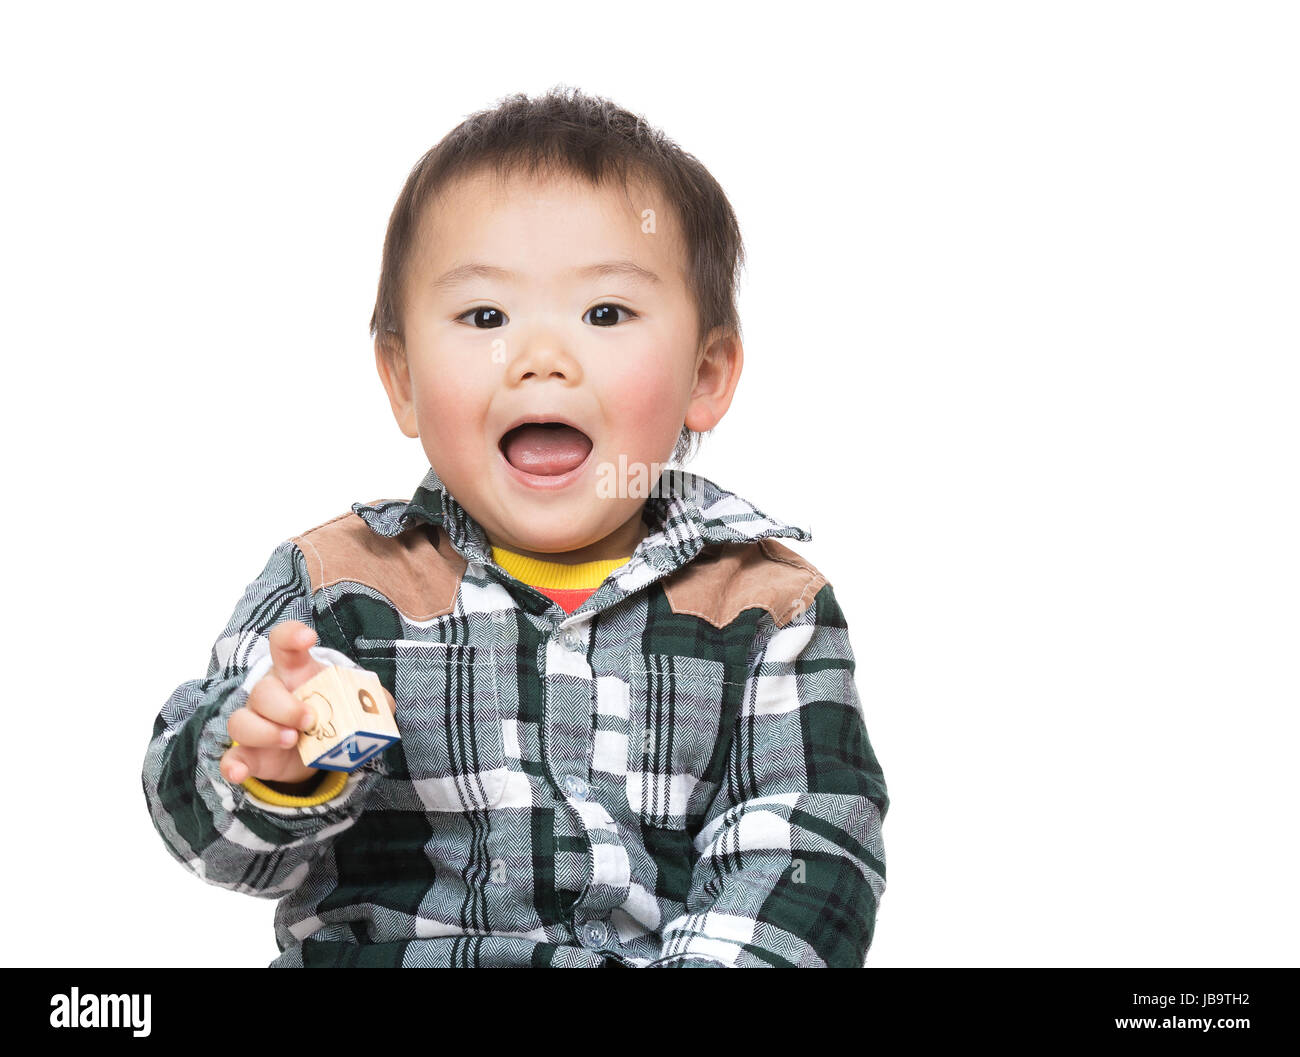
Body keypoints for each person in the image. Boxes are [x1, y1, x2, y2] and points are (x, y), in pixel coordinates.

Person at [141, 86, 889, 967]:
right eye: (485, 317)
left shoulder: (768, 606)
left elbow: (807, 850)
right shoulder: (336, 586)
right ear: (404, 379)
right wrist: (272, 759)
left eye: (605, 313)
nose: (541, 357)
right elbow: (210, 840)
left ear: (708, 373)